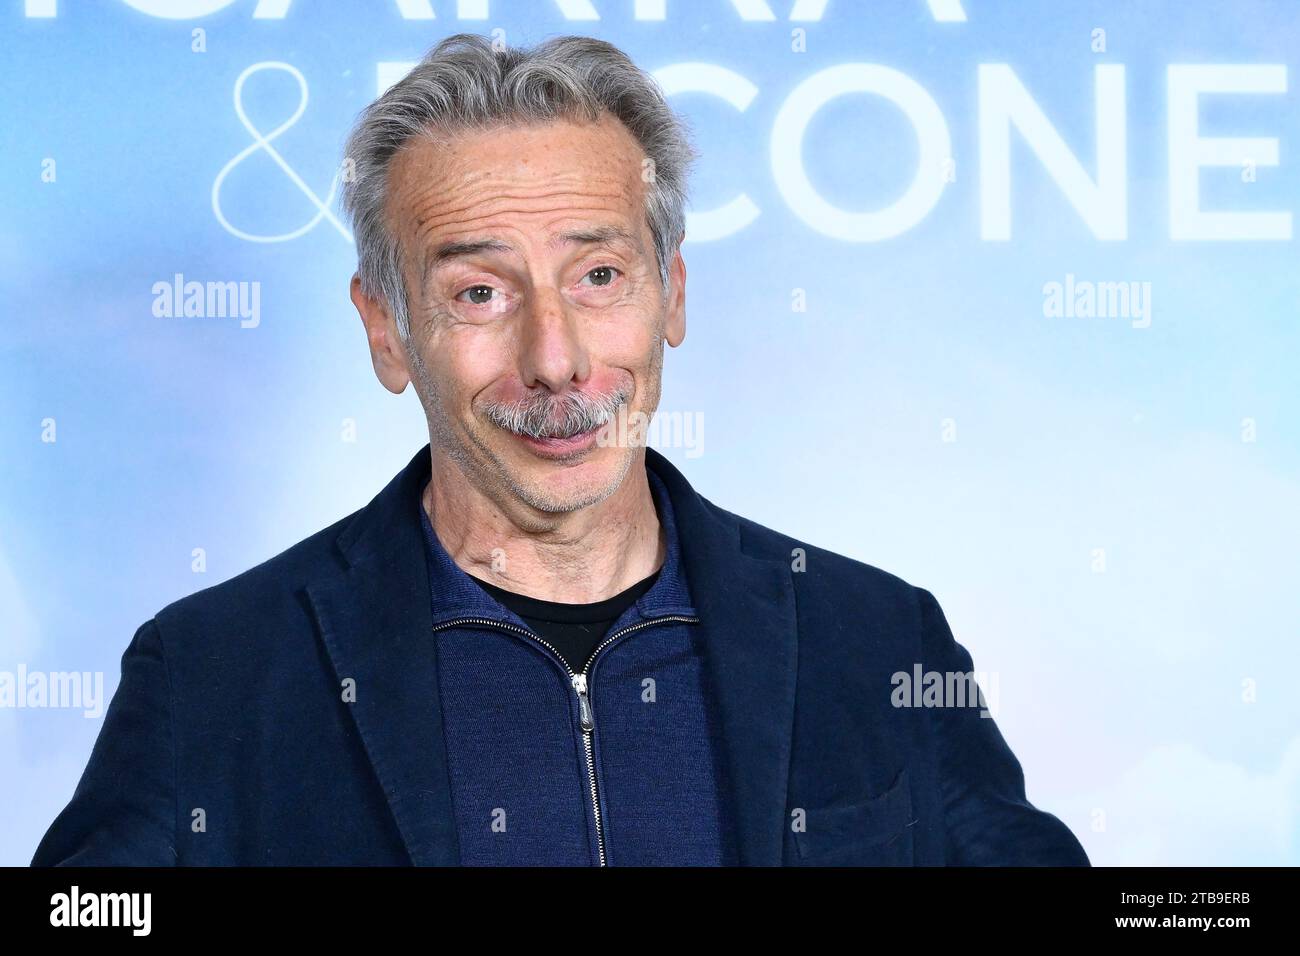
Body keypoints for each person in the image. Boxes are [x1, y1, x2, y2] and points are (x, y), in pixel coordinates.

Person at [32, 33, 1088, 867]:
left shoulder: (876, 636)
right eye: (478, 293)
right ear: (387, 331)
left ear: (671, 293)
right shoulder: (215, 673)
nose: (556, 359)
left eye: (597, 276)